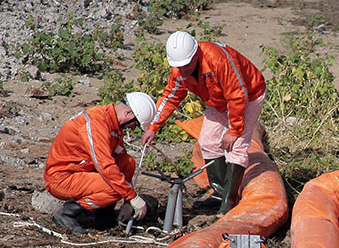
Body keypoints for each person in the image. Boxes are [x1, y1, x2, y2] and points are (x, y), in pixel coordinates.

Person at [141, 31, 266, 215]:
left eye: (186, 65)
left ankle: (229, 202)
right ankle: (219, 193)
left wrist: (234, 130)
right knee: (208, 142)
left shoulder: (218, 60)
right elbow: (171, 96)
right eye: (179, 66)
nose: (183, 70)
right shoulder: (179, 70)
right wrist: (153, 127)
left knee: (236, 147)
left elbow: (237, 95)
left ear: (195, 54)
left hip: (248, 95)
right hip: (218, 101)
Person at [45, 92, 157, 234]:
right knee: (115, 188)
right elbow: (105, 165)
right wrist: (131, 196)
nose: (133, 128)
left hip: (83, 172)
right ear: (128, 112)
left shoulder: (112, 124)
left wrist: (128, 202)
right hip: (62, 178)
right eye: (135, 123)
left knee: (127, 163)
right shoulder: (97, 123)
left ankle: (104, 216)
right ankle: (66, 213)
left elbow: (119, 159)